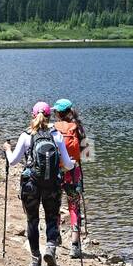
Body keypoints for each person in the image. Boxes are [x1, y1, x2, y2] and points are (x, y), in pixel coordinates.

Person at [4, 102, 75, 266]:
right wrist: (72, 164)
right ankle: (50, 249)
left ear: (32, 115)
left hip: (31, 184)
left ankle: (35, 260)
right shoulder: (56, 135)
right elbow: (67, 164)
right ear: (50, 116)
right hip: (52, 185)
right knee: (51, 218)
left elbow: (13, 161)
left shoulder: (26, 135)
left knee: (32, 221)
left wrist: (7, 149)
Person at [52, 98, 88, 257]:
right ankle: (75, 244)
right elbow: (88, 154)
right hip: (73, 174)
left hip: (55, 173)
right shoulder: (79, 128)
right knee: (74, 207)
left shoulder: (53, 128)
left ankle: (57, 235)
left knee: (55, 204)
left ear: (58, 113)